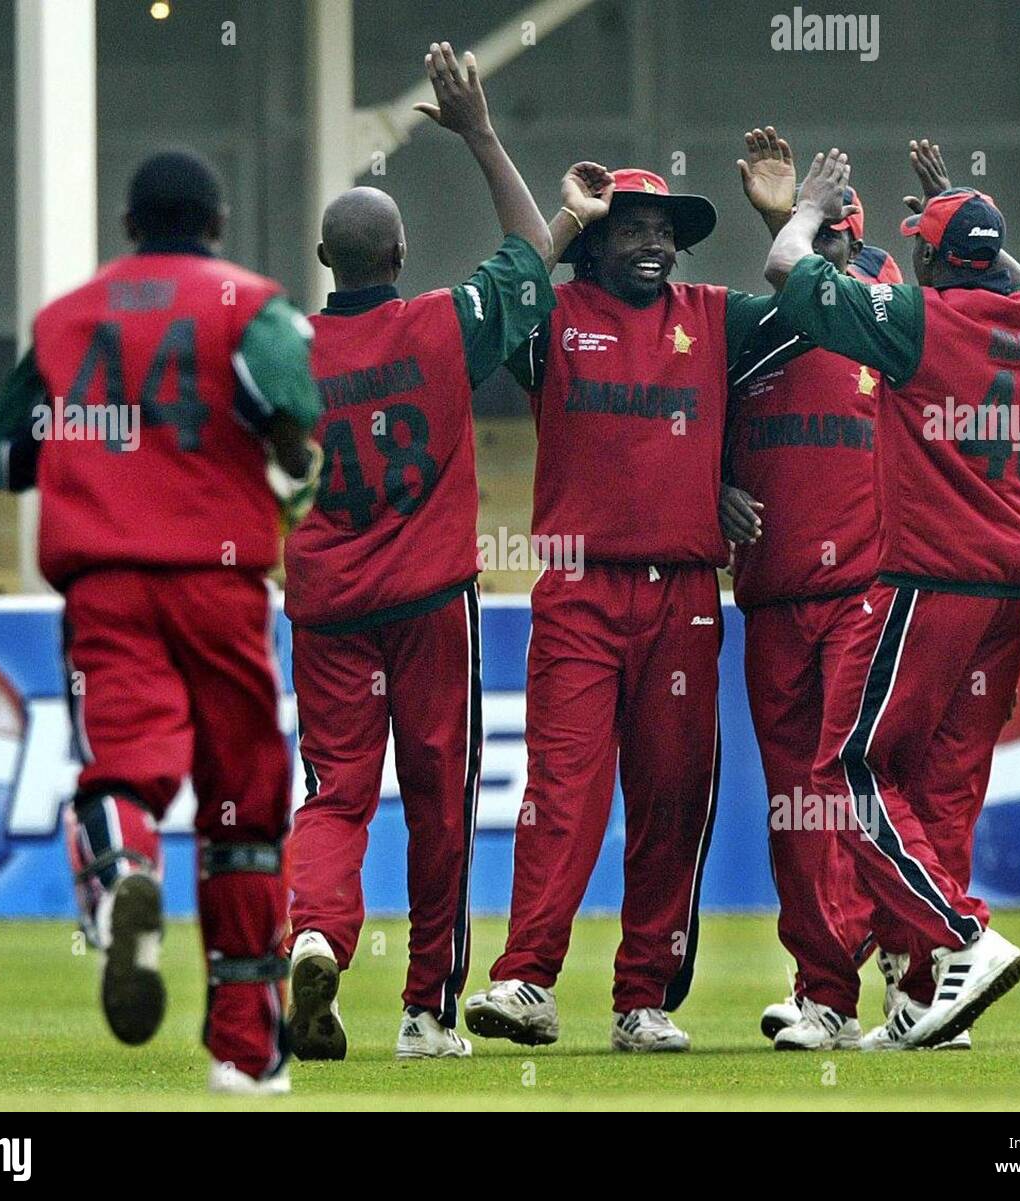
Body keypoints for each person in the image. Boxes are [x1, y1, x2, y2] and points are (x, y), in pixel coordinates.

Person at [0, 149, 322, 1093]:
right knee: (244, 808)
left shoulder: (62, 319)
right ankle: (247, 1055)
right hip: (220, 581)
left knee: (126, 758)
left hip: (104, 583)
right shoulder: (251, 304)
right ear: (216, 221)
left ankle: (123, 865)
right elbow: (294, 417)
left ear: (128, 228)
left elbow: (5, 454)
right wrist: (286, 480)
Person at [463, 151, 808, 1054]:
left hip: (687, 597)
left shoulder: (716, 319)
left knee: (673, 800)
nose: (655, 243)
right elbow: (507, 290)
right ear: (599, 245)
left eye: (666, 231)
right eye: (634, 229)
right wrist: (567, 215)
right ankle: (525, 980)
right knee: (563, 794)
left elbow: (815, 317)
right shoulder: (556, 316)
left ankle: (642, 999)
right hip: (579, 591)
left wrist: (782, 220)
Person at [281, 42, 561, 1062]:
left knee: (335, 791)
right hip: (430, 601)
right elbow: (533, 252)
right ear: (396, 260)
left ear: (325, 263)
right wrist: (480, 134)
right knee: (439, 799)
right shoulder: (443, 324)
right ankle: (425, 1012)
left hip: (325, 607)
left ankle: (314, 931)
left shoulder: (283, 352)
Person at [764, 139, 1020, 1049]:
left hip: (928, 586)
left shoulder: (917, 321)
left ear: (932, 261)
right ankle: (923, 1005)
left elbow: (787, 269)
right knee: (936, 788)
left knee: (850, 772)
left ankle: (964, 937)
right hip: (1008, 598)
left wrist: (808, 205)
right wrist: (971, 222)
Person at [721, 128, 926, 1050]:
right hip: (772, 605)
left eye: (849, 242)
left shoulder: (889, 329)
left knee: (852, 787)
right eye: (824, 240)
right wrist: (711, 488)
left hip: (868, 601)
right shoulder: (747, 340)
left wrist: (805, 224)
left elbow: (879, 284)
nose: (836, 258)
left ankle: (911, 980)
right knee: (795, 804)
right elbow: (679, 435)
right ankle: (825, 994)